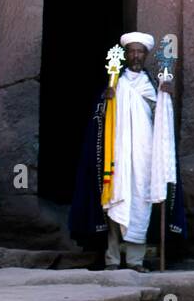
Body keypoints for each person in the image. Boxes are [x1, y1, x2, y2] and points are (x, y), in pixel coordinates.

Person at [69, 32, 176, 271]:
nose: (136, 56)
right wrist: (107, 100)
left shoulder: (151, 84)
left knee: (141, 199)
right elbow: (99, 121)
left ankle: (135, 261)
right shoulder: (115, 82)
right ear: (125, 55)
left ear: (146, 56)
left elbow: (162, 119)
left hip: (143, 152)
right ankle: (113, 260)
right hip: (117, 151)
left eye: (140, 52)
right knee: (116, 200)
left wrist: (165, 95)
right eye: (132, 51)